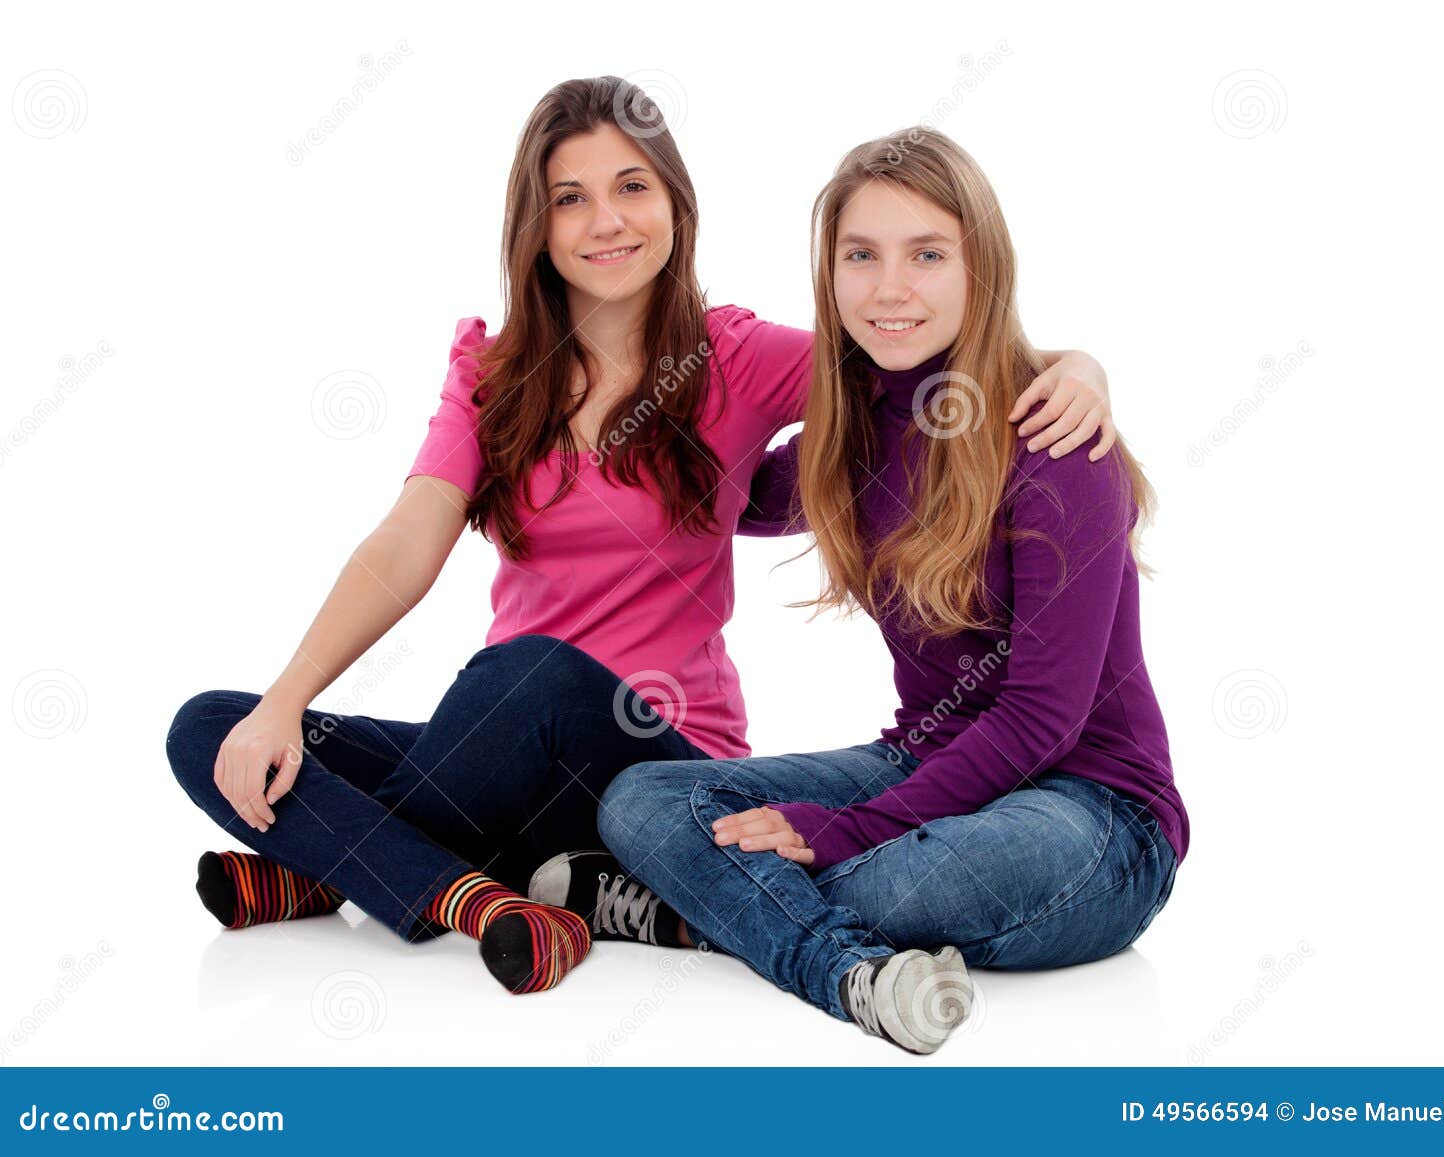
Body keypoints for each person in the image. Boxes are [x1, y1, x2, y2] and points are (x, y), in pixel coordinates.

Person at [165, 78, 1118, 997]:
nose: (606, 221)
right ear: (534, 229)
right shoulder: (494, 377)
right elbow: (407, 539)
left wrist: (1080, 367)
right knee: (214, 726)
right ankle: (482, 898)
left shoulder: (739, 357)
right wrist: (286, 700)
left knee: (528, 674)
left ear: (675, 205)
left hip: (659, 748)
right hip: (495, 751)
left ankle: (334, 871)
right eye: (569, 199)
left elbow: (906, 378)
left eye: (632, 188)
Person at [557, 126, 1187, 1053]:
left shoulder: (1055, 437)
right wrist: (622, 355)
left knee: (900, 878)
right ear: (832, 274)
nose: (890, 288)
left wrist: (848, 830)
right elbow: (718, 494)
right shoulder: (852, 436)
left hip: (1094, 813)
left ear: (982, 268)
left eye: (927, 254)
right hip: (926, 765)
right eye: (862, 255)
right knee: (645, 799)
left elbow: (1042, 718)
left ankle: (695, 913)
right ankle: (834, 961)